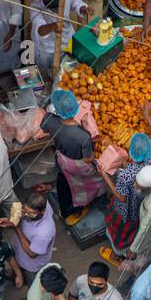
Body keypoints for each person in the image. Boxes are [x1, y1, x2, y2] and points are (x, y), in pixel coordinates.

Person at [43, 90, 102, 223]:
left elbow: (44, 129)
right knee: (95, 180)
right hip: (78, 165)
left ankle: (65, 208)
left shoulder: (48, 119)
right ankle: (82, 205)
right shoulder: (84, 136)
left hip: (61, 159)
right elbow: (87, 159)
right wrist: (95, 157)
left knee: (64, 180)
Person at [6, 192, 57, 282]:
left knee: (31, 282)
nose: (26, 215)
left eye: (31, 213)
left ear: (43, 211)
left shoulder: (44, 233)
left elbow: (32, 253)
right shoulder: (42, 203)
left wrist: (16, 228)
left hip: (30, 265)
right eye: (25, 211)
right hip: (18, 250)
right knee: (16, 269)